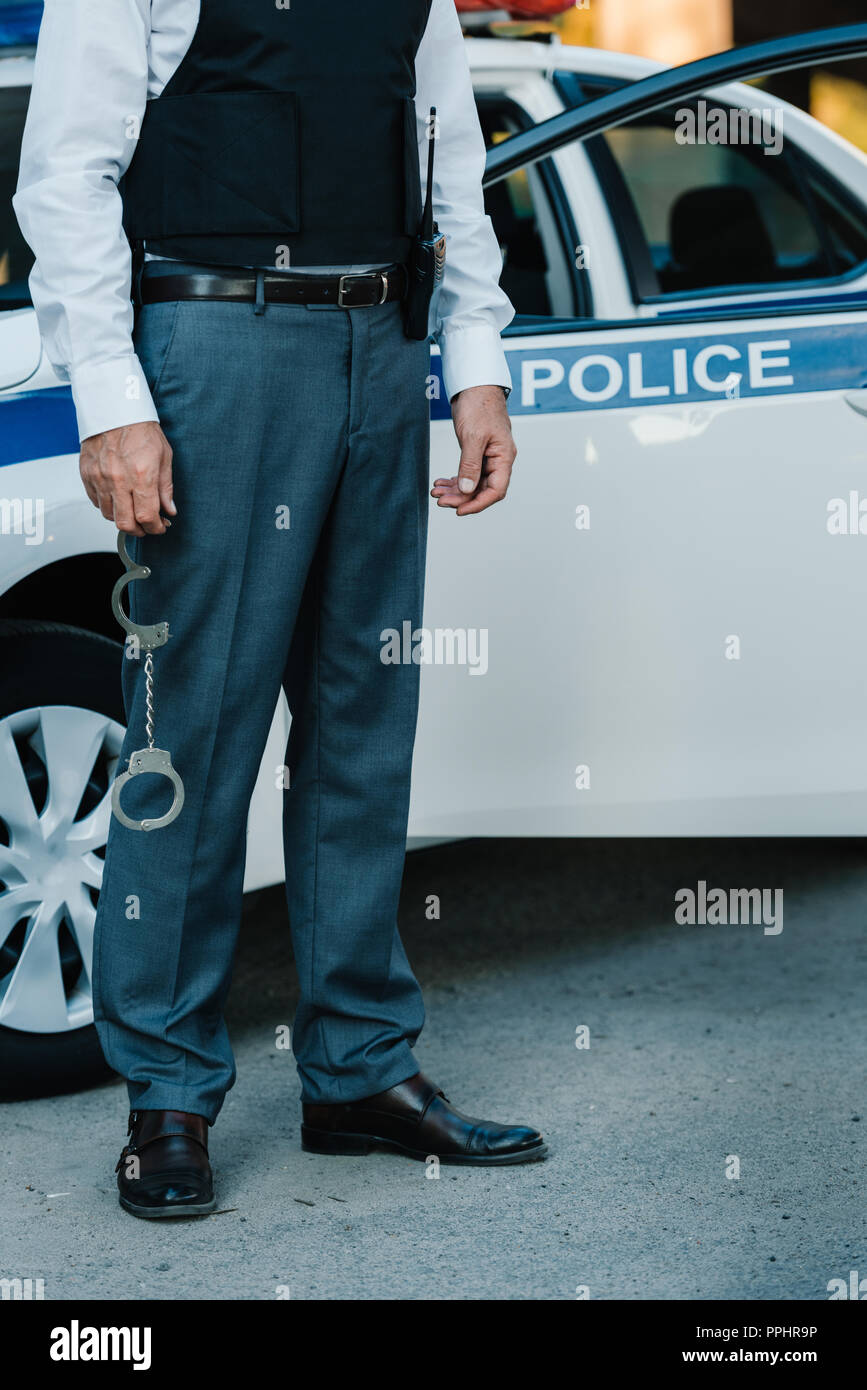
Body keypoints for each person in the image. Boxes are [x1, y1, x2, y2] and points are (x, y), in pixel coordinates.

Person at [14, 0, 546, 1220]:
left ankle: (358, 1069)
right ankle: (166, 1095)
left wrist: (476, 367)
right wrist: (111, 398)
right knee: (191, 734)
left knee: (366, 720)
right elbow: (68, 173)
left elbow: (445, 157)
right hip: (215, 335)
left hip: (381, 336)